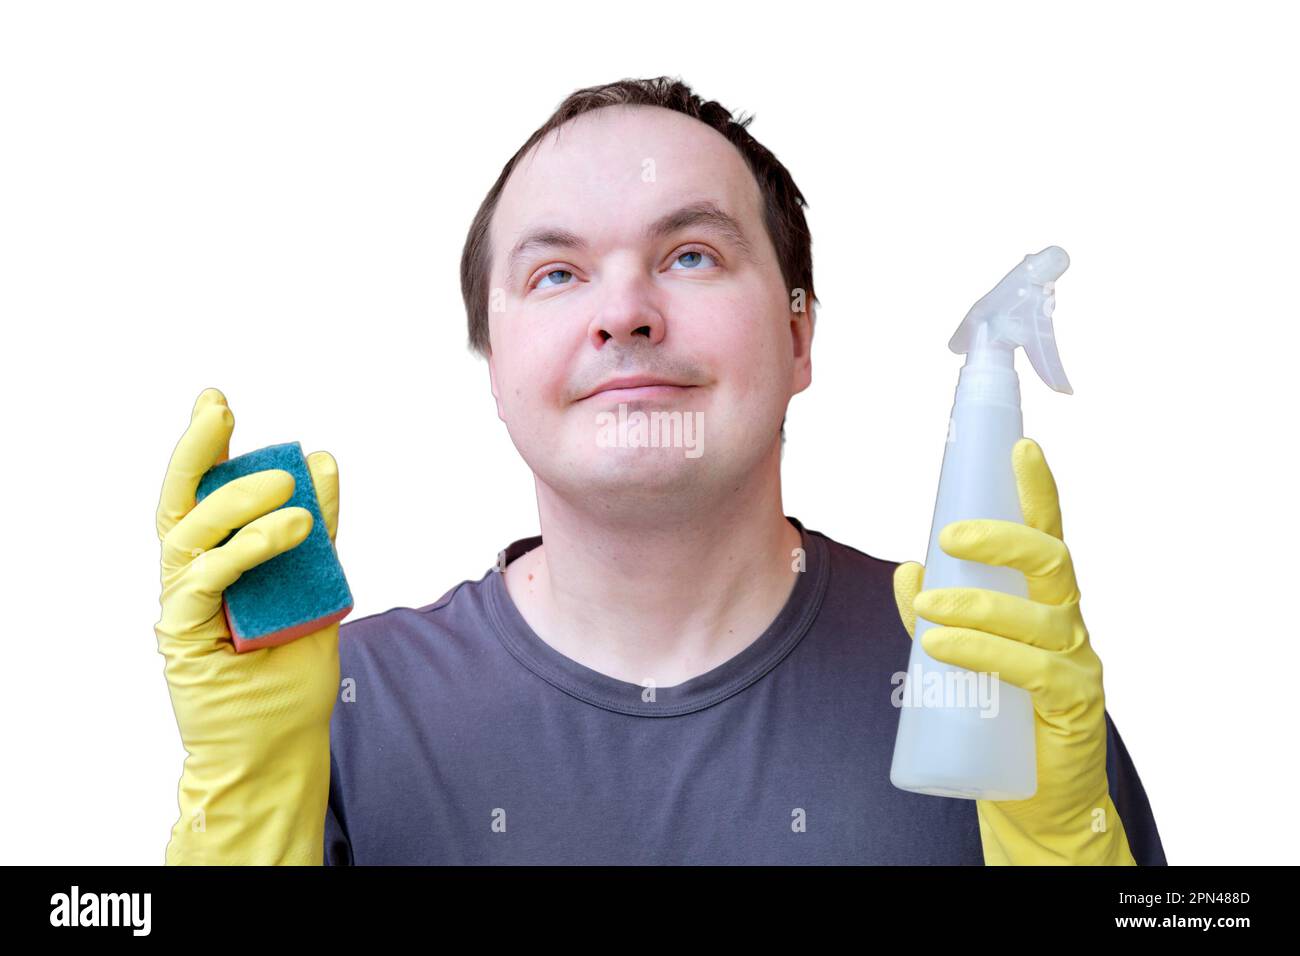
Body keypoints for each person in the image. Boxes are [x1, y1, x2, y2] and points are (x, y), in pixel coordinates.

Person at [155, 76, 1166, 865]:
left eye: (690, 254)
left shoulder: (989, 677)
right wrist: (245, 804)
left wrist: (1066, 843)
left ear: (798, 333)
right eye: (556, 273)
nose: (625, 311)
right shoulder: (328, 698)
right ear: (496, 366)